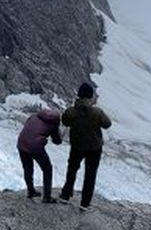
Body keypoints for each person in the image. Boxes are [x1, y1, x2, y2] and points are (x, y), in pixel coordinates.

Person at [59, 82, 111, 211]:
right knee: (90, 174)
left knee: (72, 170)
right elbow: (107, 124)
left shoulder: (72, 111)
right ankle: (85, 203)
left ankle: (65, 195)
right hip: (94, 148)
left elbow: (65, 121)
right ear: (91, 96)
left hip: (77, 146)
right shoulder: (97, 111)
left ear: (79, 95)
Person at [16, 107, 62, 203]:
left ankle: (31, 191)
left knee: (27, 168)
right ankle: (47, 197)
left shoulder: (34, 116)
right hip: (35, 147)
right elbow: (56, 141)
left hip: (21, 143)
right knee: (47, 169)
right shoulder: (53, 123)